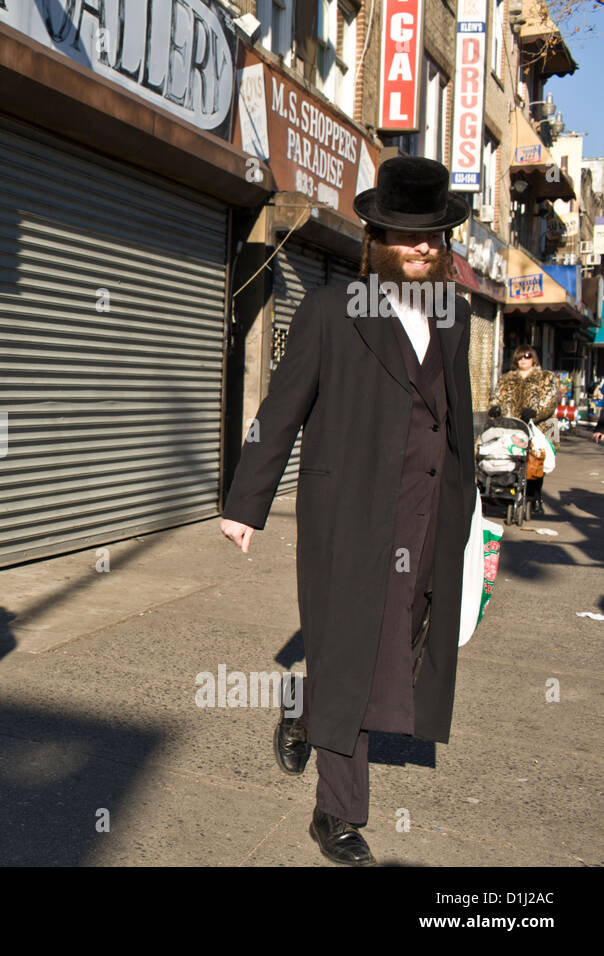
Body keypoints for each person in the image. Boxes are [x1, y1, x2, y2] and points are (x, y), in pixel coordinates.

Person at [219, 156, 475, 865]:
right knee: (354, 653)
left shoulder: (454, 315)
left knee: (396, 650)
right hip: (350, 518)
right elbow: (281, 408)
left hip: (428, 521)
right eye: (406, 235)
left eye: (433, 236)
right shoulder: (333, 310)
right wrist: (247, 502)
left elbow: (457, 421)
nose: (422, 248)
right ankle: (336, 812)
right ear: (376, 237)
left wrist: (469, 516)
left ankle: (307, 706)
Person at [490, 346, 559, 514]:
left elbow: (549, 400)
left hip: (540, 426)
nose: (523, 360)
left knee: (535, 462)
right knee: (513, 459)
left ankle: (535, 498)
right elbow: (497, 397)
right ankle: (508, 493)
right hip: (513, 425)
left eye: (527, 356)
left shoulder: (545, 377)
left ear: (533, 358)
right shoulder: (507, 378)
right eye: (519, 357)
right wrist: (495, 409)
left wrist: (535, 413)